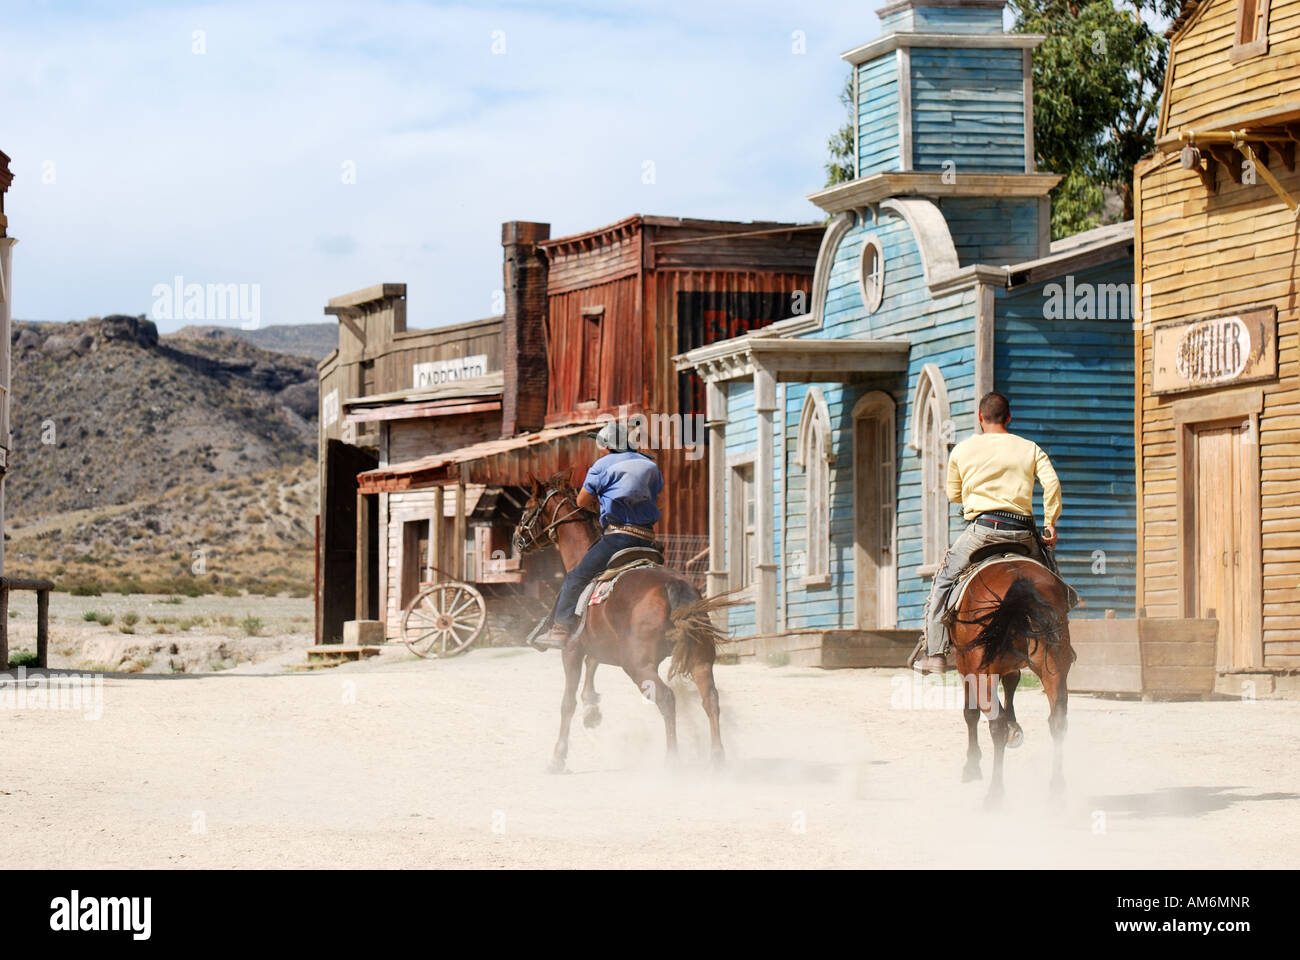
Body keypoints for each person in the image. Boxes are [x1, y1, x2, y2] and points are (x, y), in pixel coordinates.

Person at [913, 391, 1061, 674]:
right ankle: (1057, 640)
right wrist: (1050, 522)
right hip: (1024, 533)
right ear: (1009, 417)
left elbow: (953, 493)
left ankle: (935, 653)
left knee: (943, 580)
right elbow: (1052, 483)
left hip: (983, 531)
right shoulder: (1029, 448)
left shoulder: (962, 450)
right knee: (1052, 581)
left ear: (980, 418)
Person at [535, 419, 664, 650]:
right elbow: (654, 493)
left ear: (606, 446)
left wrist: (600, 504)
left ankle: (561, 629)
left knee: (576, 577)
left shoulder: (602, 465)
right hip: (648, 540)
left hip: (618, 538)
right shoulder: (650, 466)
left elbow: (581, 500)